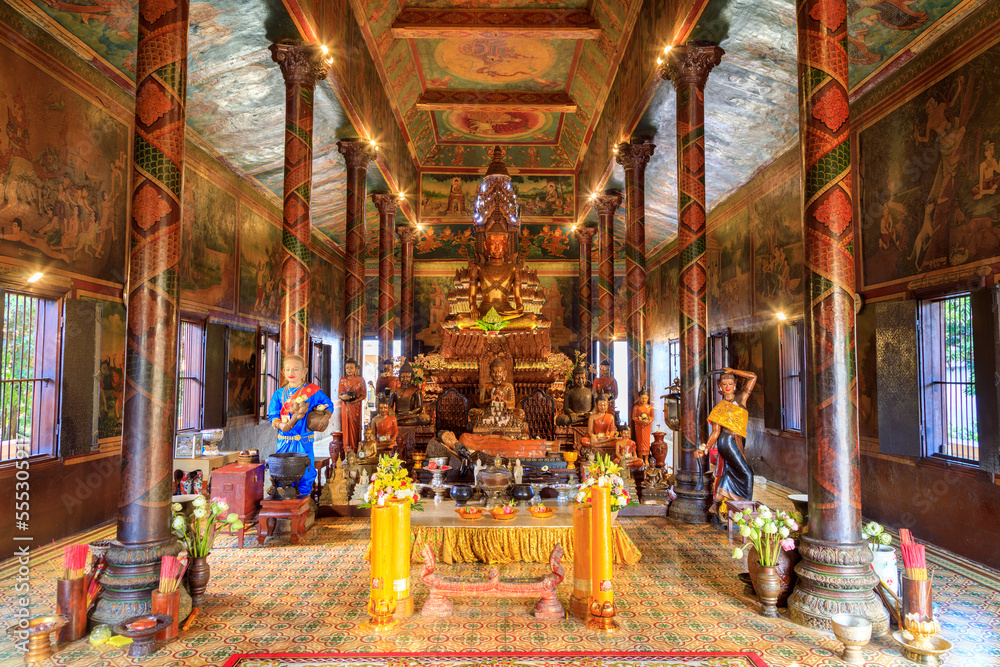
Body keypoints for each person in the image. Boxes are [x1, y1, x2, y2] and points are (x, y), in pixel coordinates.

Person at [268, 355, 334, 496]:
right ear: (283, 372)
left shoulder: (312, 391)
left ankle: (305, 502)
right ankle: (286, 503)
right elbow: (272, 415)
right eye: (288, 369)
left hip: (304, 441)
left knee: (307, 473)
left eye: (295, 369)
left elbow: (329, 404)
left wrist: (325, 416)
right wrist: (279, 424)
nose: (291, 373)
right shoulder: (279, 394)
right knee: (283, 472)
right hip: (284, 441)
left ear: (304, 371)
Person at [699, 367, 757, 513]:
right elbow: (715, 432)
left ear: (735, 384)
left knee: (730, 471)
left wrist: (733, 371)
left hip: (735, 440)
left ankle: (716, 503)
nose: (727, 387)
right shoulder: (718, 408)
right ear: (720, 386)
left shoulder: (741, 397)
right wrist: (705, 448)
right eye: (724, 384)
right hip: (727, 441)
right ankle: (746, 507)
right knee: (747, 474)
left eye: (730, 383)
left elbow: (753, 377)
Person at [457, 233, 538, 330]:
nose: (497, 248)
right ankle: (494, 325)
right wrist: (473, 307)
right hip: (484, 312)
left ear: (506, 246)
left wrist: (520, 307)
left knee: (532, 320)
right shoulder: (478, 267)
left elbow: (518, 296)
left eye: (501, 244)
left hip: (506, 312)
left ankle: (488, 326)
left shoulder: (513, 268)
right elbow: (472, 295)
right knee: (461, 320)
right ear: (486, 246)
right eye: (492, 244)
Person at [337, 358, 367, 456]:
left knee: (355, 428)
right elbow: (340, 394)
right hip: (345, 406)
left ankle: (356, 450)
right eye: (347, 368)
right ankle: (347, 450)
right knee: (346, 427)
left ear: (356, 369)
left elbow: (364, 394)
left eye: (351, 368)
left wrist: (355, 400)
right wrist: (344, 397)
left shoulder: (360, 380)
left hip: (356, 407)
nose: (349, 370)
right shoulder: (342, 380)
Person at [390, 360, 428, 425]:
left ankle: (399, 422)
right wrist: (392, 413)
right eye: (402, 377)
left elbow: (419, 407)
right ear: (399, 377)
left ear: (411, 378)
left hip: (411, 416)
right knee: (387, 418)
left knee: (426, 418)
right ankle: (400, 421)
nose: (405, 379)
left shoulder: (417, 391)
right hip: (398, 415)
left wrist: (410, 412)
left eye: (407, 377)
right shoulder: (394, 391)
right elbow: (389, 407)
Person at [631, 388, 654, 468]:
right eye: (642, 398)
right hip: (639, 426)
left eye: (645, 398)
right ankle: (640, 459)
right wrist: (640, 421)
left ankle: (646, 459)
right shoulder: (636, 407)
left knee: (646, 442)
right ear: (639, 398)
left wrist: (648, 421)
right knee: (640, 441)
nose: (644, 399)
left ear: (648, 398)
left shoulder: (650, 407)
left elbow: (652, 417)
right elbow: (634, 417)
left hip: (647, 426)